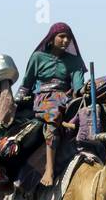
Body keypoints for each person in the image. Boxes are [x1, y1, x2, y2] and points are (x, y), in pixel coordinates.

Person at [16, 22, 89, 185]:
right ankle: (49, 171)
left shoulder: (74, 61)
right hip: (44, 99)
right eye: (61, 36)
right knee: (54, 115)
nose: (65, 41)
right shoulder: (38, 57)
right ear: (52, 38)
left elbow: (78, 87)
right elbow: (26, 83)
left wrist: (86, 89)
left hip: (67, 98)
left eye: (68, 38)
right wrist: (16, 102)